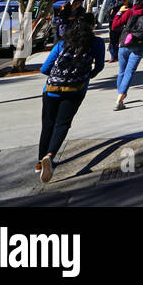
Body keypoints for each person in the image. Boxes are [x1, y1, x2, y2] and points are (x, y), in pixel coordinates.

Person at [36, 15, 105, 184]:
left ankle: (39, 162)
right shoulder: (97, 43)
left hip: (51, 90)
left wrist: (56, 77)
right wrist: (86, 76)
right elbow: (100, 65)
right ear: (93, 26)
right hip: (75, 90)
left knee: (48, 124)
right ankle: (50, 156)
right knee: (62, 124)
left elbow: (45, 68)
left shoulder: (61, 43)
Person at [110, 0, 143, 110]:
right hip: (140, 43)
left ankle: (121, 95)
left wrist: (119, 12)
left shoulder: (130, 10)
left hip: (125, 42)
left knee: (122, 71)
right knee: (130, 72)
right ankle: (119, 99)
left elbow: (115, 26)